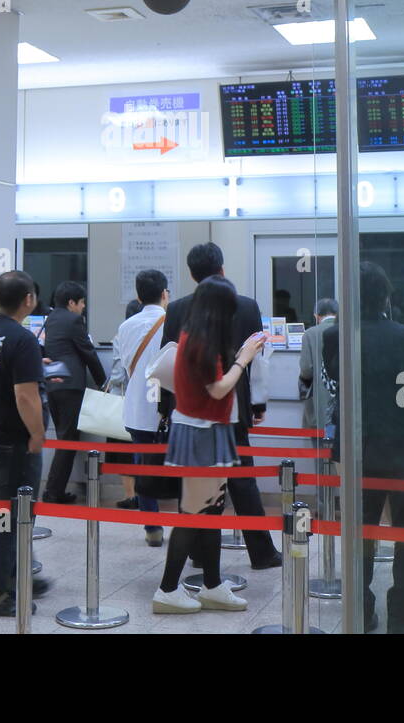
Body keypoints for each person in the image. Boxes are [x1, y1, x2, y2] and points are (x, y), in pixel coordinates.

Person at [326, 261, 404, 633]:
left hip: (358, 450)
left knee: (360, 534)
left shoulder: (335, 337)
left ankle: (364, 608)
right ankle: (400, 616)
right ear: (386, 295)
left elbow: (337, 393)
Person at [162, 242, 281, 570]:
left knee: (200, 491)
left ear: (191, 273)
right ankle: (262, 552)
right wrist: (257, 404)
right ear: (223, 269)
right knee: (243, 481)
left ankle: (201, 558)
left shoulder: (177, 309)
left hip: (188, 413)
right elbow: (258, 361)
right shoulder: (245, 305)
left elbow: (166, 364)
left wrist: (164, 410)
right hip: (232, 406)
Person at [153, 276, 266, 614]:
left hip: (208, 431)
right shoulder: (201, 342)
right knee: (193, 516)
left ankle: (212, 584)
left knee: (211, 512)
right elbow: (218, 389)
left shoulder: (197, 336)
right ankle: (168, 589)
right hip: (201, 433)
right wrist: (244, 358)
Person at [0, 270, 51, 617]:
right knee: (5, 519)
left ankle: (15, 577)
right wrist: (36, 433)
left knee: (11, 516)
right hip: (12, 445)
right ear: (29, 299)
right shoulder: (23, 339)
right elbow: (25, 396)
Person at [116, 269, 170, 546]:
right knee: (179, 465)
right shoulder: (171, 321)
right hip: (167, 408)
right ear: (164, 294)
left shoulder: (126, 326)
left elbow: (126, 366)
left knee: (143, 465)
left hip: (137, 407)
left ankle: (152, 526)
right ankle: (190, 524)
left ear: (138, 296)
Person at [41, 281, 106, 505]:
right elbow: (87, 352)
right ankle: (52, 492)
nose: (84, 307)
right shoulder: (73, 320)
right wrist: (102, 381)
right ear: (71, 303)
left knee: (64, 439)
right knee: (68, 441)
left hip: (53, 384)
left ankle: (55, 490)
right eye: (81, 303)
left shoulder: (51, 320)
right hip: (70, 387)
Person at [298, 298, 338, 437]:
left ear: (316, 316)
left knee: (321, 447)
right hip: (345, 399)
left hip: (320, 398)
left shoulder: (311, 333)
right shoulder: (348, 329)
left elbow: (306, 369)